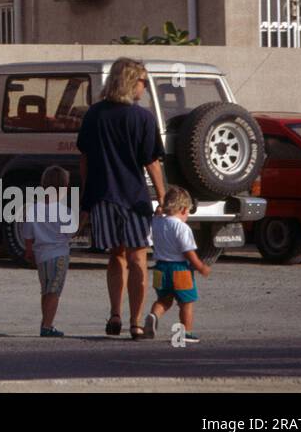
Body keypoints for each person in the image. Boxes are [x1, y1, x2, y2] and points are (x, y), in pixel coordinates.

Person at [77, 57, 167, 341]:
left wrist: (85, 198)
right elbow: (151, 163)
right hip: (134, 198)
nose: (145, 87)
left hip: (103, 196)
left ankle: (115, 314)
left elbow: (85, 160)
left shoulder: (94, 115)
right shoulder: (142, 118)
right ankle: (136, 322)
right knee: (139, 258)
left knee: (115, 256)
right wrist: (163, 196)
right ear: (131, 82)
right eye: (143, 81)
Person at [143, 186, 211, 343]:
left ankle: (153, 316)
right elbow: (188, 251)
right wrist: (200, 266)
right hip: (179, 269)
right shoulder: (182, 228)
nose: (187, 215)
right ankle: (185, 332)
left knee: (164, 300)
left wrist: (159, 211)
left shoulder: (157, 222)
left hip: (160, 268)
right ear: (182, 209)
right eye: (188, 211)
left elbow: (157, 216)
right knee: (186, 302)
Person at [21, 165, 73, 338]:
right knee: (54, 291)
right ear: (65, 187)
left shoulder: (33, 209)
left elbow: (27, 234)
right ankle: (48, 325)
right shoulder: (65, 211)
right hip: (59, 255)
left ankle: (45, 322)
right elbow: (70, 232)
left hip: (41, 256)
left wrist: (29, 251)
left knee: (45, 289)